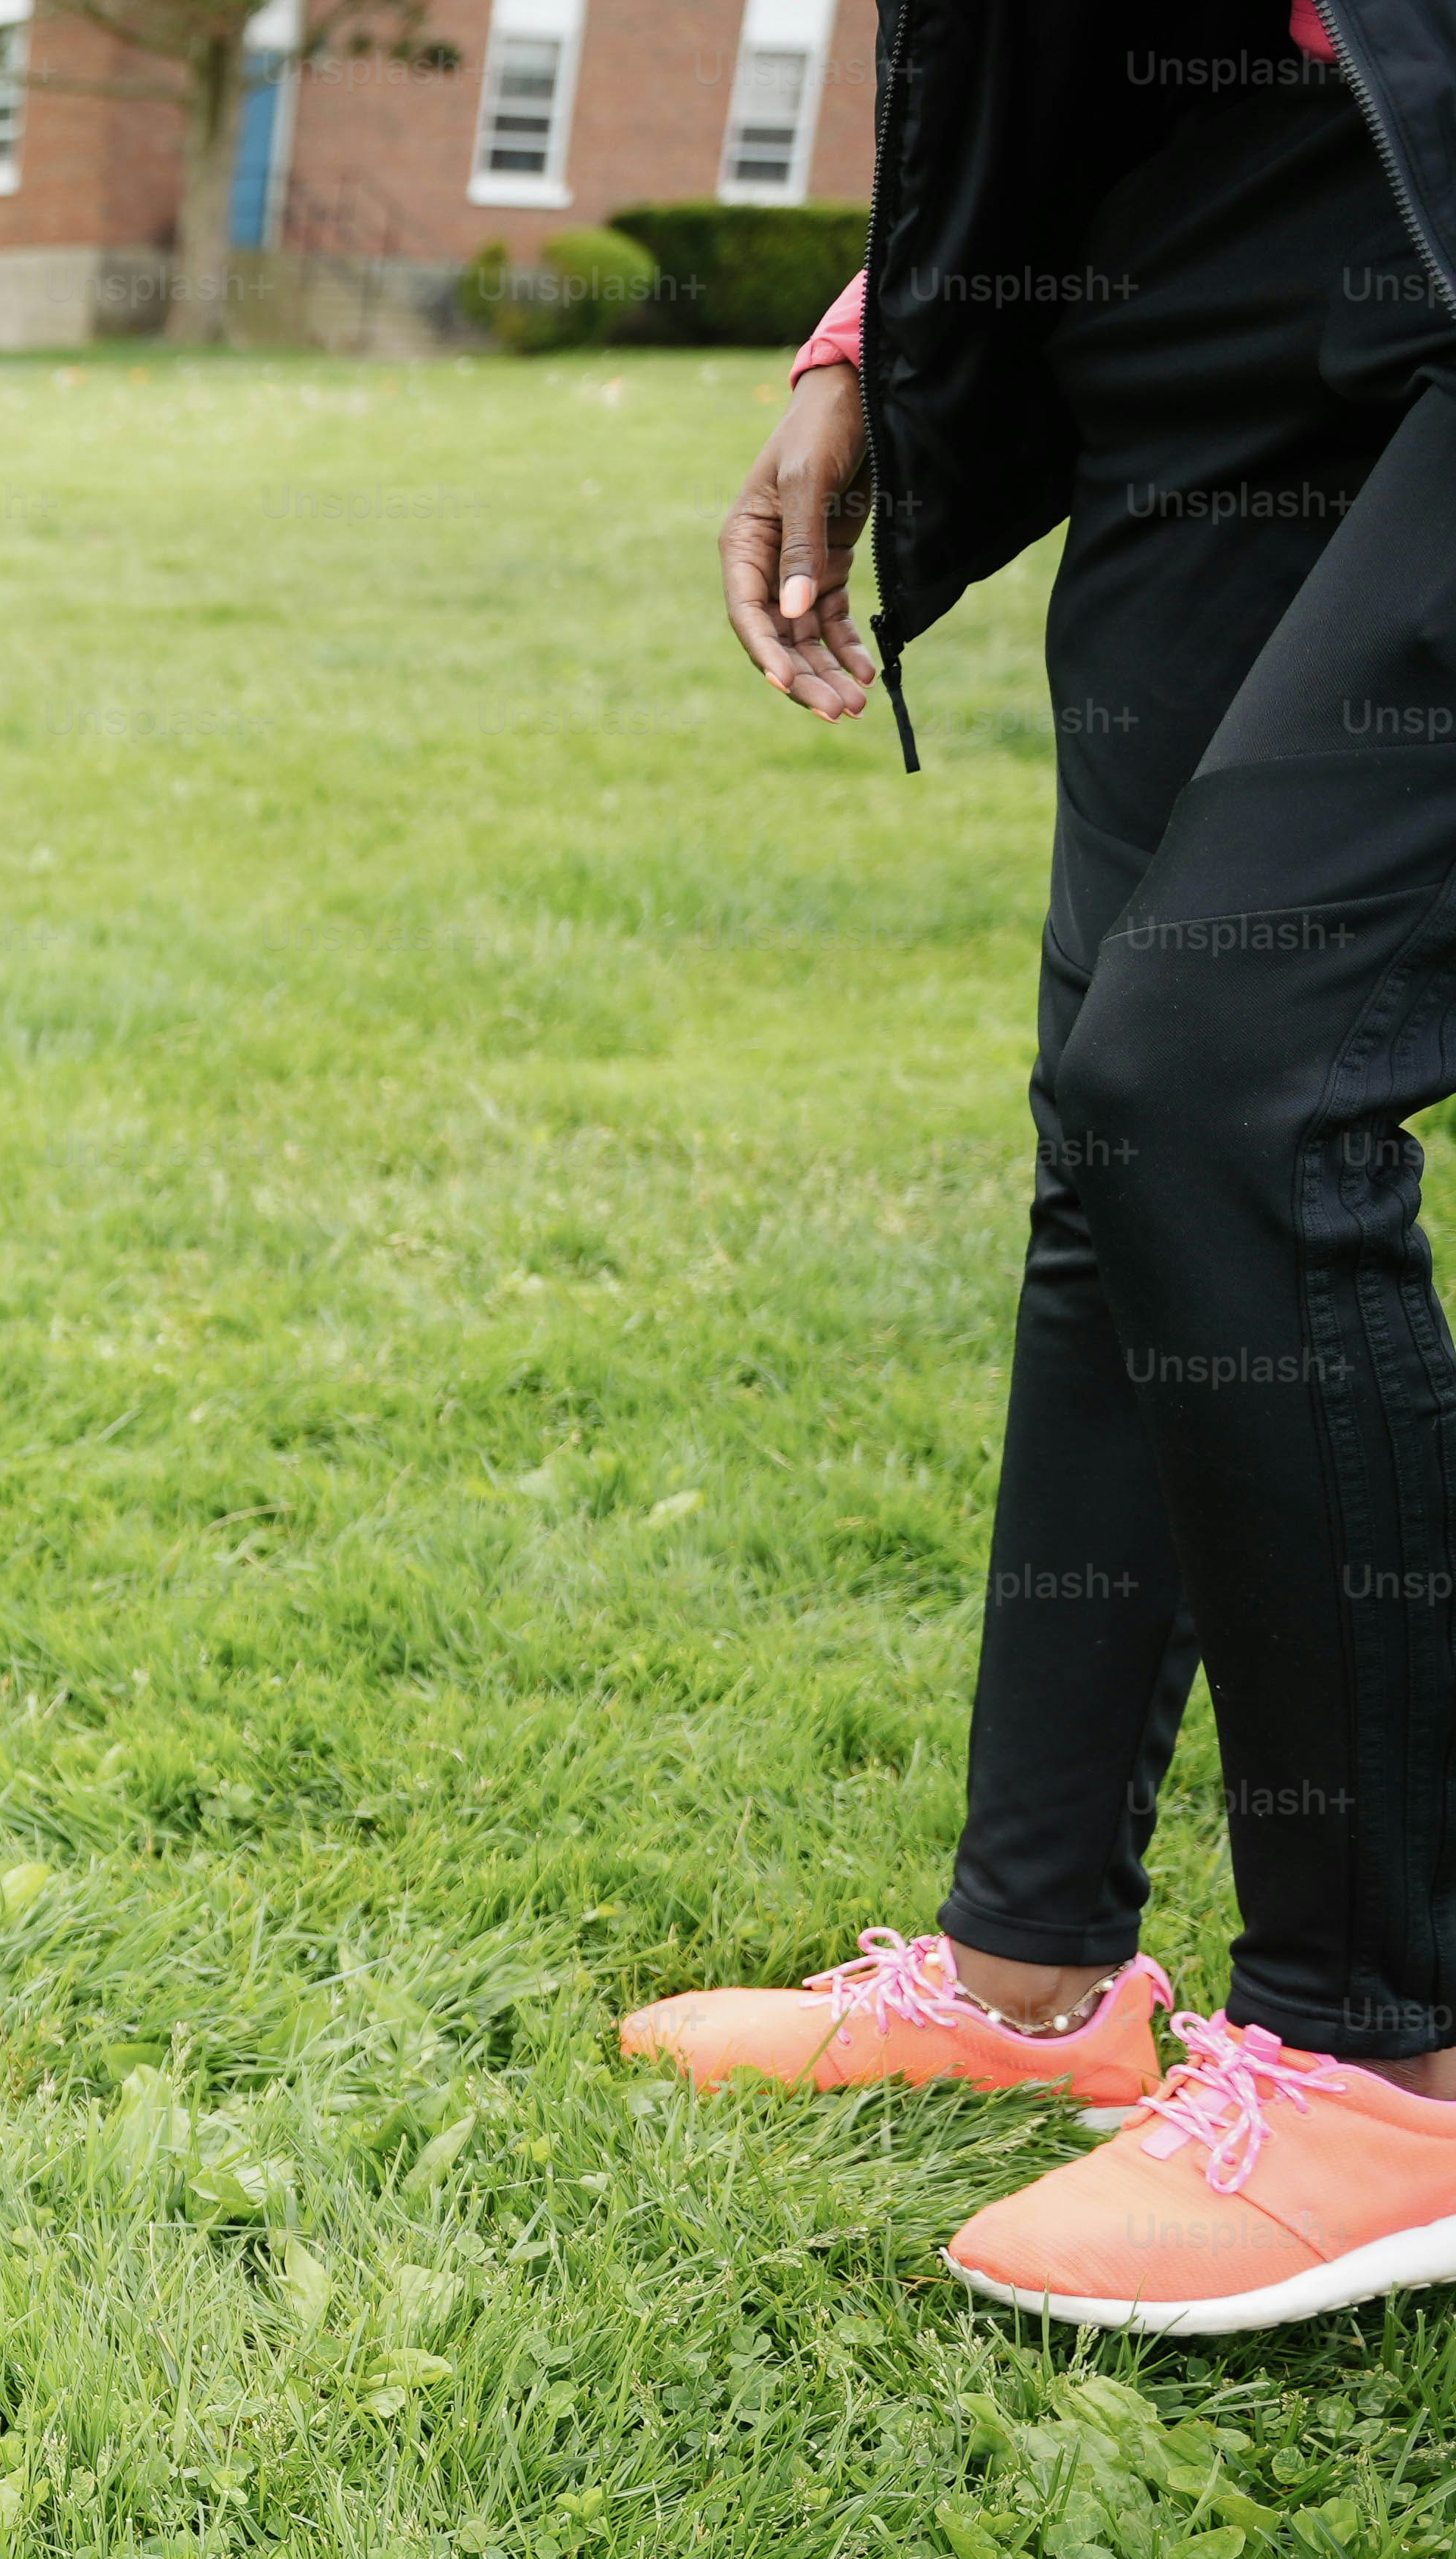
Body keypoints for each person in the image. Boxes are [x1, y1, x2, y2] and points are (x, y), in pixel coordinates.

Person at [626, 0, 1456, 2335]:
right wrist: (866, 331)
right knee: (1120, 1133)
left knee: (1228, 1077)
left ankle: (1386, 2063)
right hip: (1192, 211)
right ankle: (1027, 1978)